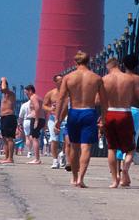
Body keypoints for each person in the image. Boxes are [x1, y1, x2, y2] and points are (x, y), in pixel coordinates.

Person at [54, 51, 107, 188]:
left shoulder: (68, 78)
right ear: (88, 61)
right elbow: (104, 101)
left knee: (74, 146)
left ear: (75, 62)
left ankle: (74, 177)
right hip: (89, 112)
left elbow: (61, 99)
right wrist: (104, 118)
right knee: (86, 147)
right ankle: (81, 179)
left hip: (74, 113)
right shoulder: (96, 78)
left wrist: (57, 119)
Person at [102, 58, 139, 188]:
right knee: (130, 145)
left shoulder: (106, 79)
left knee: (112, 147)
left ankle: (115, 178)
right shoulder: (137, 80)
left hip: (111, 112)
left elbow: (98, 100)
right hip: (128, 112)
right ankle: (125, 170)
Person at [123, 54, 139, 151]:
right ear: (137, 65)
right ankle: (128, 158)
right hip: (135, 111)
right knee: (132, 140)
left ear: (123, 64)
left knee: (119, 138)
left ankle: (119, 159)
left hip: (120, 110)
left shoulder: (119, 79)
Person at [43, 75, 65, 169]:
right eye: (60, 80)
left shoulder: (68, 92)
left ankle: (63, 154)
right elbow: (44, 105)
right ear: (55, 82)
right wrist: (50, 109)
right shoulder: (51, 93)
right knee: (54, 139)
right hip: (53, 118)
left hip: (65, 118)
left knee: (66, 140)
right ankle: (55, 160)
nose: (62, 82)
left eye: (63, 80)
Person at [0, 77, 18, 164]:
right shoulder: (4, 96)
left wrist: (3, 79)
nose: (0, 88)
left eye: (0, 86)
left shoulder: (10, 93)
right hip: (3, 117)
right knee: (4, 139)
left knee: (10, 138)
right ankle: (6, 157)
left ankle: (10, 158)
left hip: (9, 117)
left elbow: (4, 88)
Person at [25, 85, 45, 164]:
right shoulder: (39, 97)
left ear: (30, 91)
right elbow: (44, 110)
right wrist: (45, 122)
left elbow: (37, 107)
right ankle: (37, 158)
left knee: (34, 138)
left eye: (26, 93)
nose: (26, 94)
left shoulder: (33, 97)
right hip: (41, 119)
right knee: (33, 137)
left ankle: (37, 159)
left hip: (36, 119)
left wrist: (36, 120)